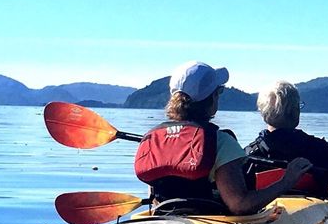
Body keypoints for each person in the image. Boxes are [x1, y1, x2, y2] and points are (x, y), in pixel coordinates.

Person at [133, 62, 311, 215]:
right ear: (211, 99)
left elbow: (155, 197)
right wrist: (286, 181)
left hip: (163, 220)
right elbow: (240, 205)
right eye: (219, 93)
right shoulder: (221, 142)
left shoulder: (153, 139)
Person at [244, 81, 328, 193]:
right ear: (295, 112)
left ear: (263, 113)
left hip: (263, 210)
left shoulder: (247, 154)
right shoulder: (317, 149)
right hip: (315, 211)